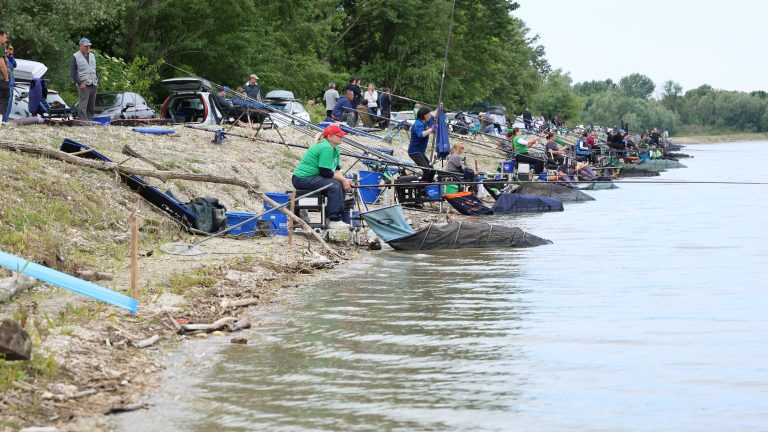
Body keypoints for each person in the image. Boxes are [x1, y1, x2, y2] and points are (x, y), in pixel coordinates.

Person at [292, 124, 353, 229]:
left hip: (314, 177)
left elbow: (337, 170)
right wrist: (343, 180)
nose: (341, 137)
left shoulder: (336, 148)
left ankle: (333, 216)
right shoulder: (326, 147)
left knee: (340, 184)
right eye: (339, 135)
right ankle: (334, 219)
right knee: (334, 185)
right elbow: (326, 172)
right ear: (330, 137)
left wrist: (345, 181)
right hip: (302, 178)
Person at [70, 37, 99, 119]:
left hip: (93, 84)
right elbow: (73, 73)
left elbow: (95, 70)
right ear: (81, 46)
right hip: (84, 85)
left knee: (91, 105)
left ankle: (90, 120)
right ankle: (82, 120)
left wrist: (97, 80)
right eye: (86, 46)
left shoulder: (92, 56)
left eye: (89, 46)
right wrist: (80, 83)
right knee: (83, 105)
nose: (87, 47)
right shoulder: (75, 56)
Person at [409, 105, 438, 184]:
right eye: (428, 114)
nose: (429, 115)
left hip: (420, 152)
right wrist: (431, 129)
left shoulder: (424, 122)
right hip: (414, 152)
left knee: (432, 171)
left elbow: (433, 115)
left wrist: (439, 108)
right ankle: (421, 187)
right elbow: (420, 134)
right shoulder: (418, 124)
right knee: (426, 170)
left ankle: (428, 186)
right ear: (424, 115)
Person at [0, 30, 11, 123]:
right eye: (5, 37)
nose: (6, 39)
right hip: (2, 79)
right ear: (0, 36)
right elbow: (2, 64)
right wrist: (7, 78)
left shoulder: (2, 48)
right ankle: (1, 121)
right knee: (4, 99)